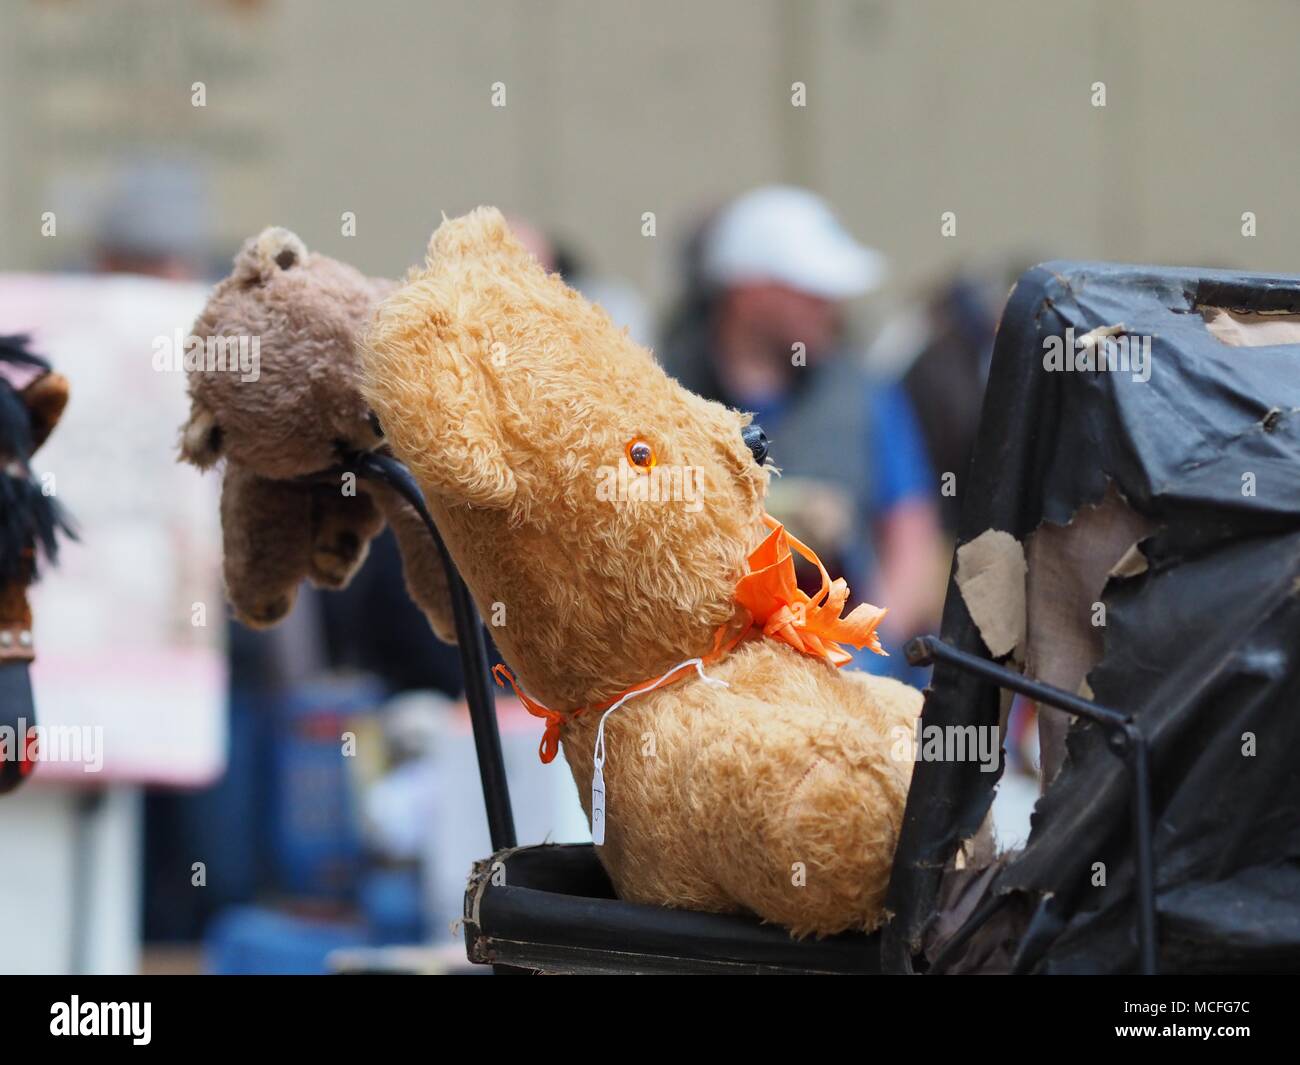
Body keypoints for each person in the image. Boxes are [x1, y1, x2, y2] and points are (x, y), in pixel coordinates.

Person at [659, 186, 943, 674]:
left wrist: (867, 646)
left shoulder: (864, 395)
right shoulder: (663, 395)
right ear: (748, 293)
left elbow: (912, 538)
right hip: (706, 673)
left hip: (844, 671)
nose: (829, 308)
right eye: (810, 292)